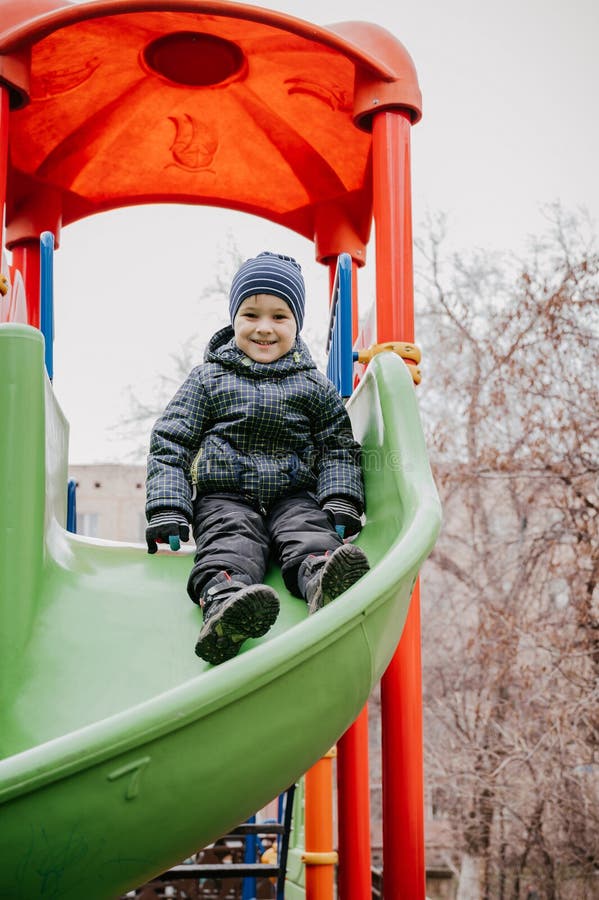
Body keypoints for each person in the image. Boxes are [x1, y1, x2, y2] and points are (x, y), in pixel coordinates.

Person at [145, 251, 369, 665]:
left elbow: (338, 445)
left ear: (297, 324)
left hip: (292, 494)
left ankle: (323, 578)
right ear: (234, 318)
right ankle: (226, 605)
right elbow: (171, 441)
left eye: (280, 317)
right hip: (225, 496)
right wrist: (167, 505)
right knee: (229, 542)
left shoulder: (313, 386)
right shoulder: (208, 378)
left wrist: (341, 497)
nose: (264, 328)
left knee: (310, 529)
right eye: (251, 314)